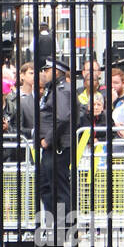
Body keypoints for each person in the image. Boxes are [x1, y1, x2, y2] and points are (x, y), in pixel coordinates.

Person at [38, 58, 77, 237]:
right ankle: (55, 225)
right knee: (47, 185)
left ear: (55, 71)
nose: (44, 73)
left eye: (47, 70)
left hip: (57, 146)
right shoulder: (54, 90)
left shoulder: (61, 90)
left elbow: (61, 117)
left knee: (58, 187)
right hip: (54, 147)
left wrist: (48, 139)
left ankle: (64, 227)